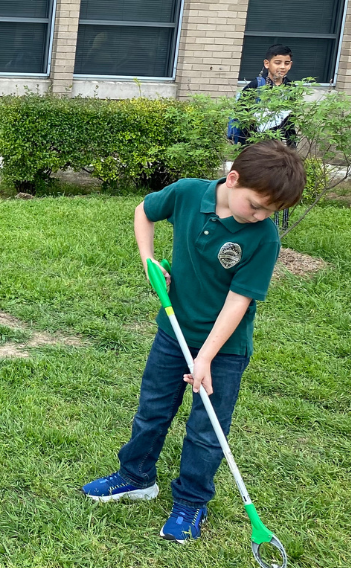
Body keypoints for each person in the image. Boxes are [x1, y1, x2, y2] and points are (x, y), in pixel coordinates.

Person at [81, 140, 306, 543]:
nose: (261, 216)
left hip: (225, 349)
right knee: (152, 409)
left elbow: (238, 302)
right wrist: (148, 260)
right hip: (173, 332)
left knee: (207, 429)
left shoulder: (264, 238)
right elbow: (144, 211)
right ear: (232, 179)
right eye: (257, 206)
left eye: (270, 212)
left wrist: (205, 357)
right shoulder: (186, 193)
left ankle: (191, 501)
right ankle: (136, 476)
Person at [231, 44, 296, 147]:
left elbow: (290, 120)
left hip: (277, 144)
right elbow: (241, 113)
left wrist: (292, 146)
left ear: (290, 64)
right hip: (253, 142)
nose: (282, 67)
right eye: (277, 63)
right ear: (267, 63)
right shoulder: (256, 85)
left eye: (286, 63)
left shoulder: (290, 88)